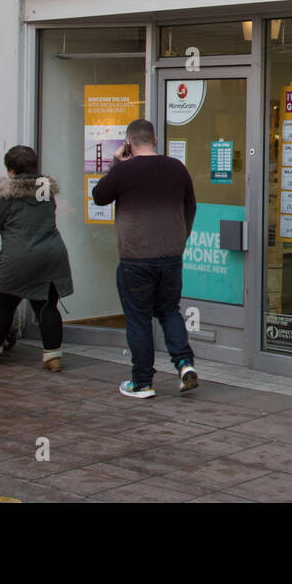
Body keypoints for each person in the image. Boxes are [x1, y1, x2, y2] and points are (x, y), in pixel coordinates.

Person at [91, 118, 198, 398]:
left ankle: (142, 383)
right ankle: (185, 364)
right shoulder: (177, 168)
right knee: (169, 311)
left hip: (135, 258)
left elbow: (99, 196)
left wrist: (117, 164)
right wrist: (181, 238)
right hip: (171, 256)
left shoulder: (124, 171)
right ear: (155, 140)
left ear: (128, 143)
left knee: (138, 319)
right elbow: (190, 207)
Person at [0, 146, 74, 369]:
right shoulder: (45, 189)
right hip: (51, 254)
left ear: (11, 170)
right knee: (47, 306)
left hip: (19, 257)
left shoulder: (7, 194)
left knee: (4, 303)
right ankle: (53, 356)